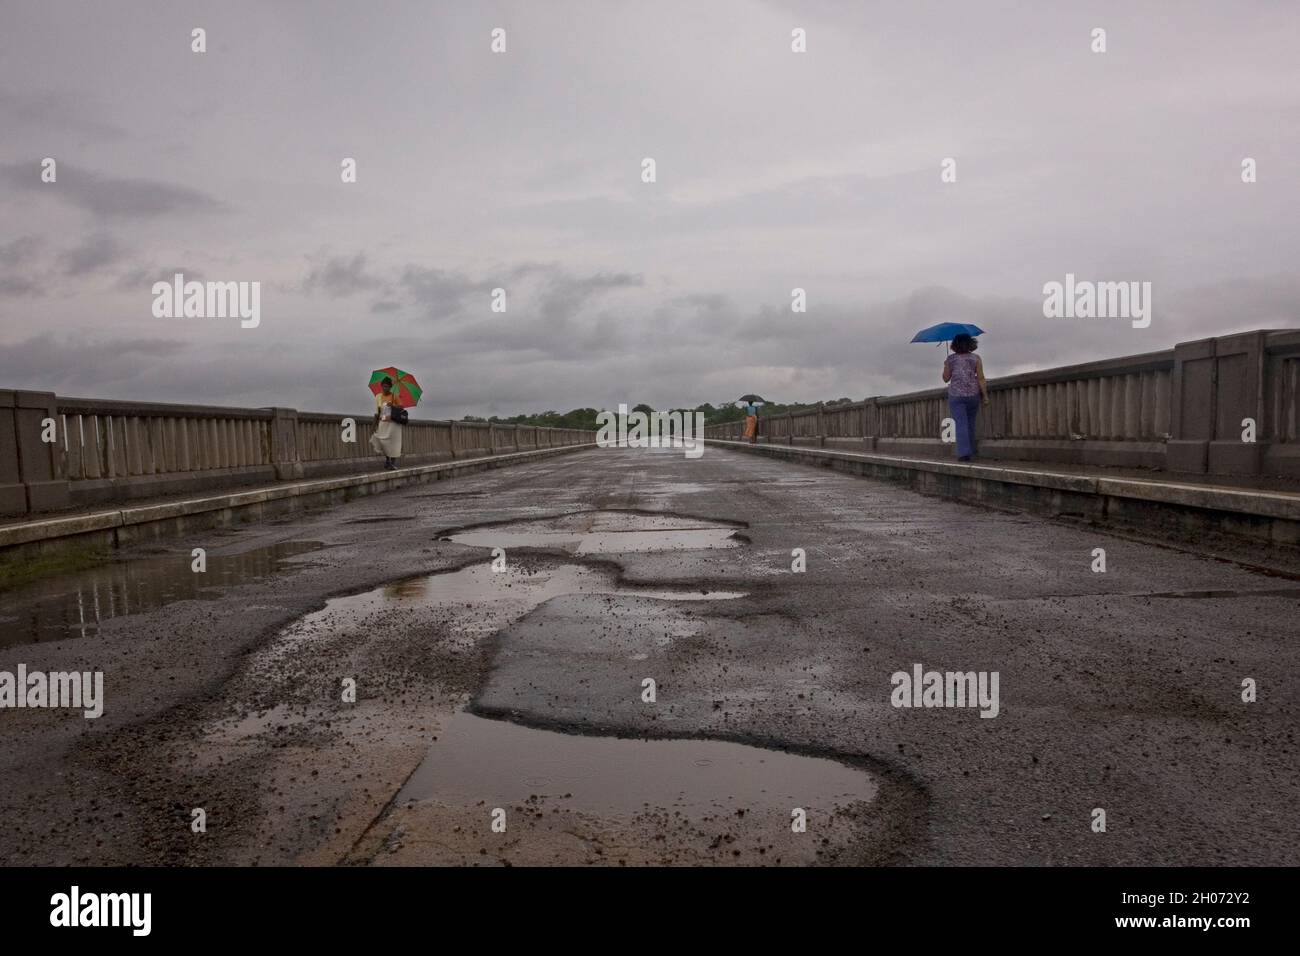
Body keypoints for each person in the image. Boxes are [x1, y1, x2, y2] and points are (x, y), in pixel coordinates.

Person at [942, 333, 988, 461]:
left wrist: (946, 364)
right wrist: (985, 396)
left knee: (961, 423)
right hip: (973, 395)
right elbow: (981, 378)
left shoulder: (951, 359)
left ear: (954, 345)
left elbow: (945, 379)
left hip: (956, 395)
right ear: (970, 343)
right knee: (971, 423)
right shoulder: (976, 358)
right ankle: (971, 449)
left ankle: (963, 453)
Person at [370, 376, 404, 470]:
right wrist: (373, 426)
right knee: (383, 443)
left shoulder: (394, 396)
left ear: (390, 387)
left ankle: (391, 463)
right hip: (383, 422)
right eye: (384, 386)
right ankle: (388, 460)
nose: (385, 388)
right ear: (381, 386)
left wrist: (393, 405)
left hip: (393, 423)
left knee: (393, 444)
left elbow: (402, 407)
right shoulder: (378, 397)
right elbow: (377, 412)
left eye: (387, 386)